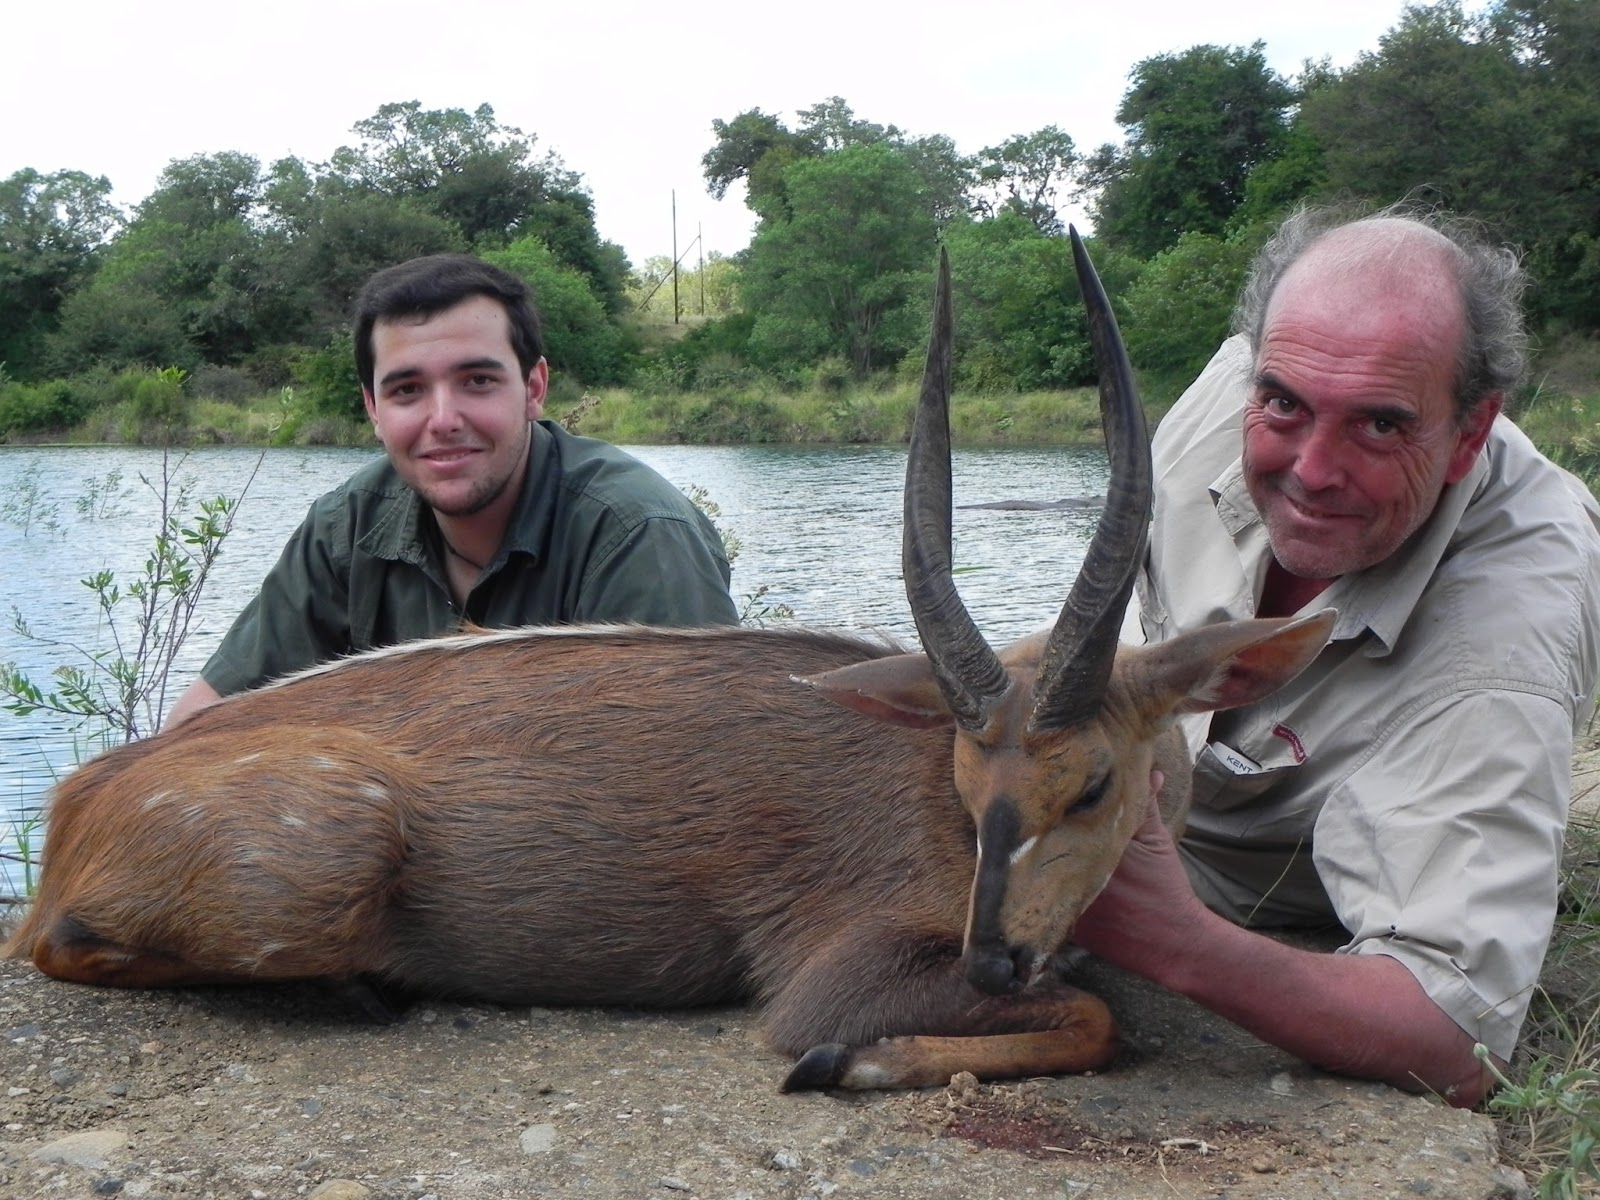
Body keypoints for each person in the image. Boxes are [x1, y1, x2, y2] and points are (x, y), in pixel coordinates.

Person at [1073, 203, 1600, 1107]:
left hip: (1253, 887)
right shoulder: (1243, 377)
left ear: (1471, 434)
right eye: (1284, 404)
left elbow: (1456, 1034)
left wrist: (1170, 940)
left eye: (1380, 426)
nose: (1313, 470)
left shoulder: (1510, 629)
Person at [167, 254, 738, 725]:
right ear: (373, 408)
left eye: (478, 381)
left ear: (533, 388)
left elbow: (687, 793)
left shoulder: (639, 534)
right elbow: (199, 729)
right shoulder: (347, 525)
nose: (443, 419)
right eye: (407, 390)